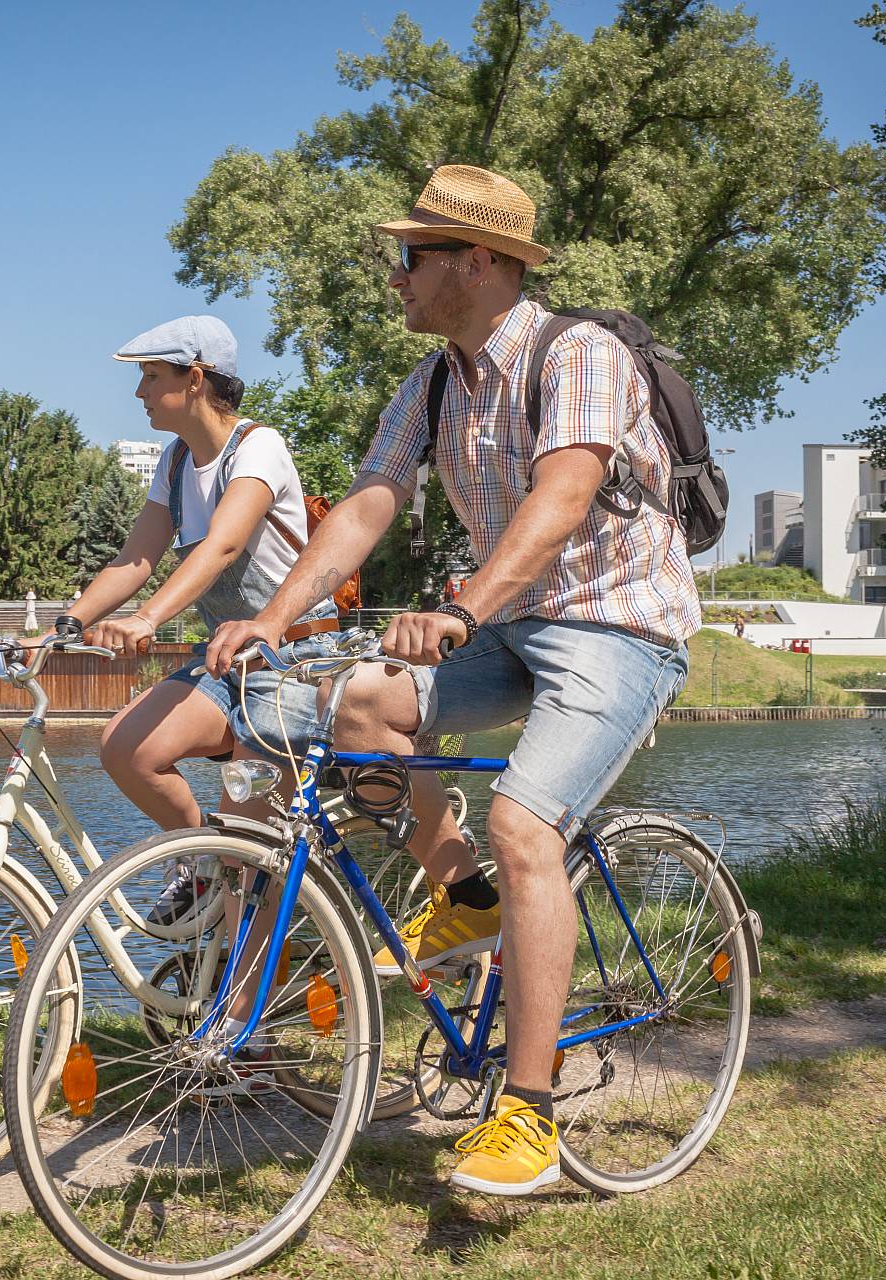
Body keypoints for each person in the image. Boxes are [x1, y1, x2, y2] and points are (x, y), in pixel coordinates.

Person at [208, 165, 698, 1195]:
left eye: (410, 255)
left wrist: (466, 606)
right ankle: (467, 895)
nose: (396, 276)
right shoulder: (434, 382)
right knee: (359, 702)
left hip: (618, 627)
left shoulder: (580, 354)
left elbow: (565, 494)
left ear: (476, 261)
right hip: (510, 626)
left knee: (527, 823)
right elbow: (366, 506)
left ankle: (529, 1110)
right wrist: (272, 618)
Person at [53, 315, 344, 939]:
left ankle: (247, 994)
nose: (139, 392)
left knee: (249, 845)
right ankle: (200, 863)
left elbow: (223, 545)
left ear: (195, 379)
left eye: (151, 376)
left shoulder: (258, 446)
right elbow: (136, 559)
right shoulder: (177, 460)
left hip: (295, 662)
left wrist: (147, 618)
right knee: (127, 748)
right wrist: (64, 626)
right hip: (228, 659)